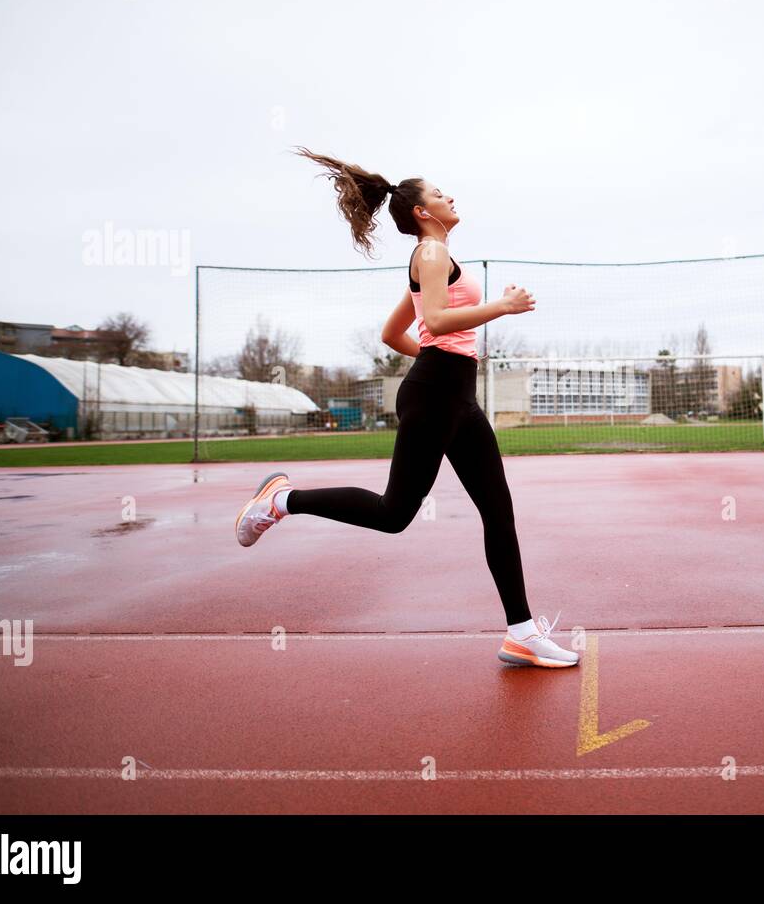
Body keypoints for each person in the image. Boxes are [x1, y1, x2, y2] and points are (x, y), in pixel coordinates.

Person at [233, 148, 578, 669]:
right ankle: (282, 500)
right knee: (394, 514)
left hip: (453, 393)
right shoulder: (431, 254)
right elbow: (436, 322)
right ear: (421, 211)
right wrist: (501, 309)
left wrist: (448, 355)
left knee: (497, 509)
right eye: (440, 194)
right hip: (437, 394)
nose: (450, 197)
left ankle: (522, 633)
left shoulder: (434, 259)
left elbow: (396, 332)